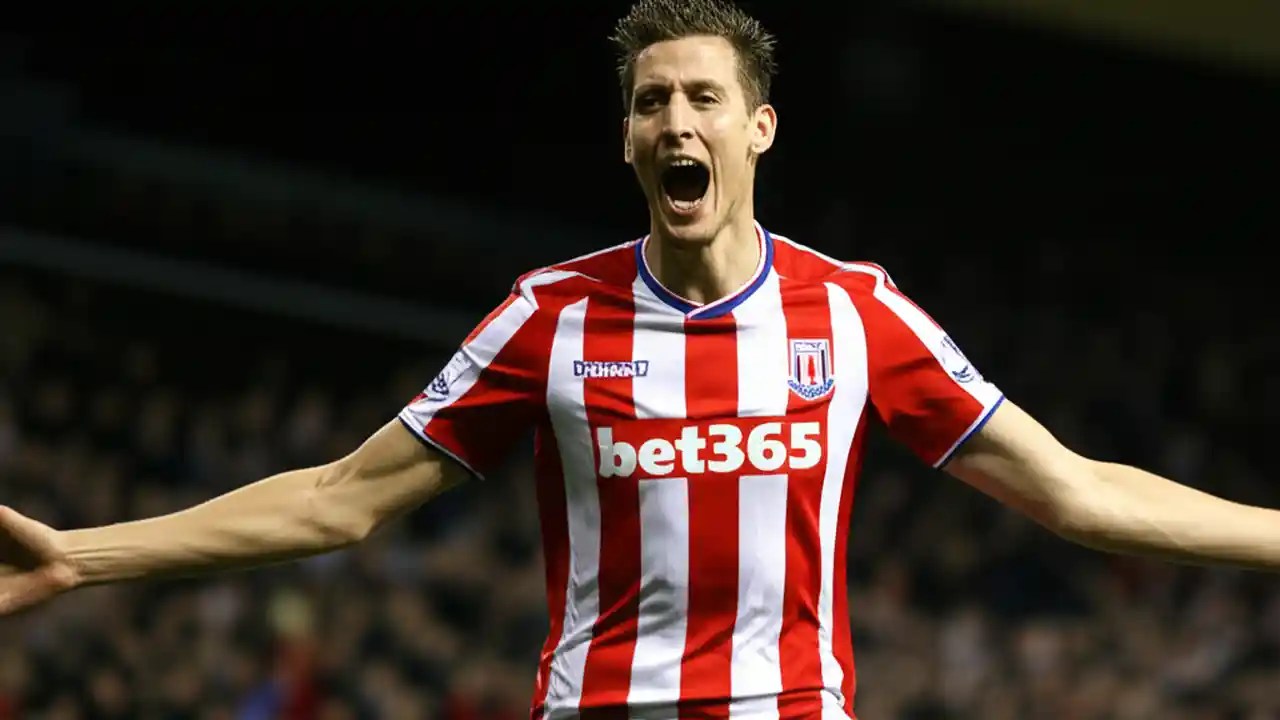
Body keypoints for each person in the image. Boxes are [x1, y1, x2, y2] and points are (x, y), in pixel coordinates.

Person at [2, 0, 1277, 717]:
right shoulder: (549, 317)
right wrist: (82, 554)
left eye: (703, 98)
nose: (677, 119)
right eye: (653, 102)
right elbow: (339, 500)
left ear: (757, 129)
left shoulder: (856, 314)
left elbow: (1078, 492)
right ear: (626, 141)